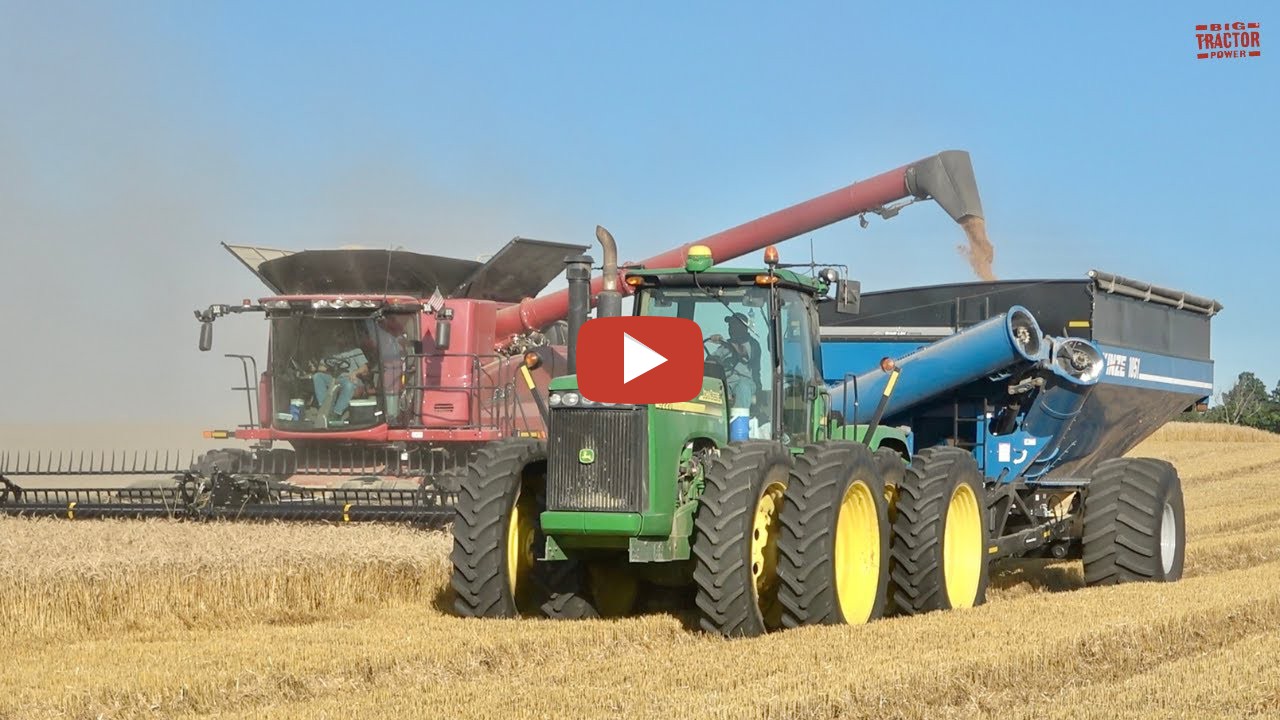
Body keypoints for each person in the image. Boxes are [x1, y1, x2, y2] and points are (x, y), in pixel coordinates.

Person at [706, 313, 761, 439]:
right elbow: (712, 359)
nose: (730, 328)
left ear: (744, 327)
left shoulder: (752, 344)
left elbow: (743, 354)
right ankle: (711, 431)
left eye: (734, 325)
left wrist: (723, 342)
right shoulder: (725, 346)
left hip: (745, 381)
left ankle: (738, 435)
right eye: (730, 326)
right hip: (726, 382)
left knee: (742, 388)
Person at [312, 343, 369, 424]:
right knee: (317, 376)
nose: (340, 339)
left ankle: (337, 413)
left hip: (349, 377)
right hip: (333, 377)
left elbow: (365, 368)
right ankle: (324, 408)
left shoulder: (355, 351)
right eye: (338, 337)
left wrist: (355, 373)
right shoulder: (330, 351)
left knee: (349, 384)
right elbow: (321, 367)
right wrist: (327, 368)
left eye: (342, 337)